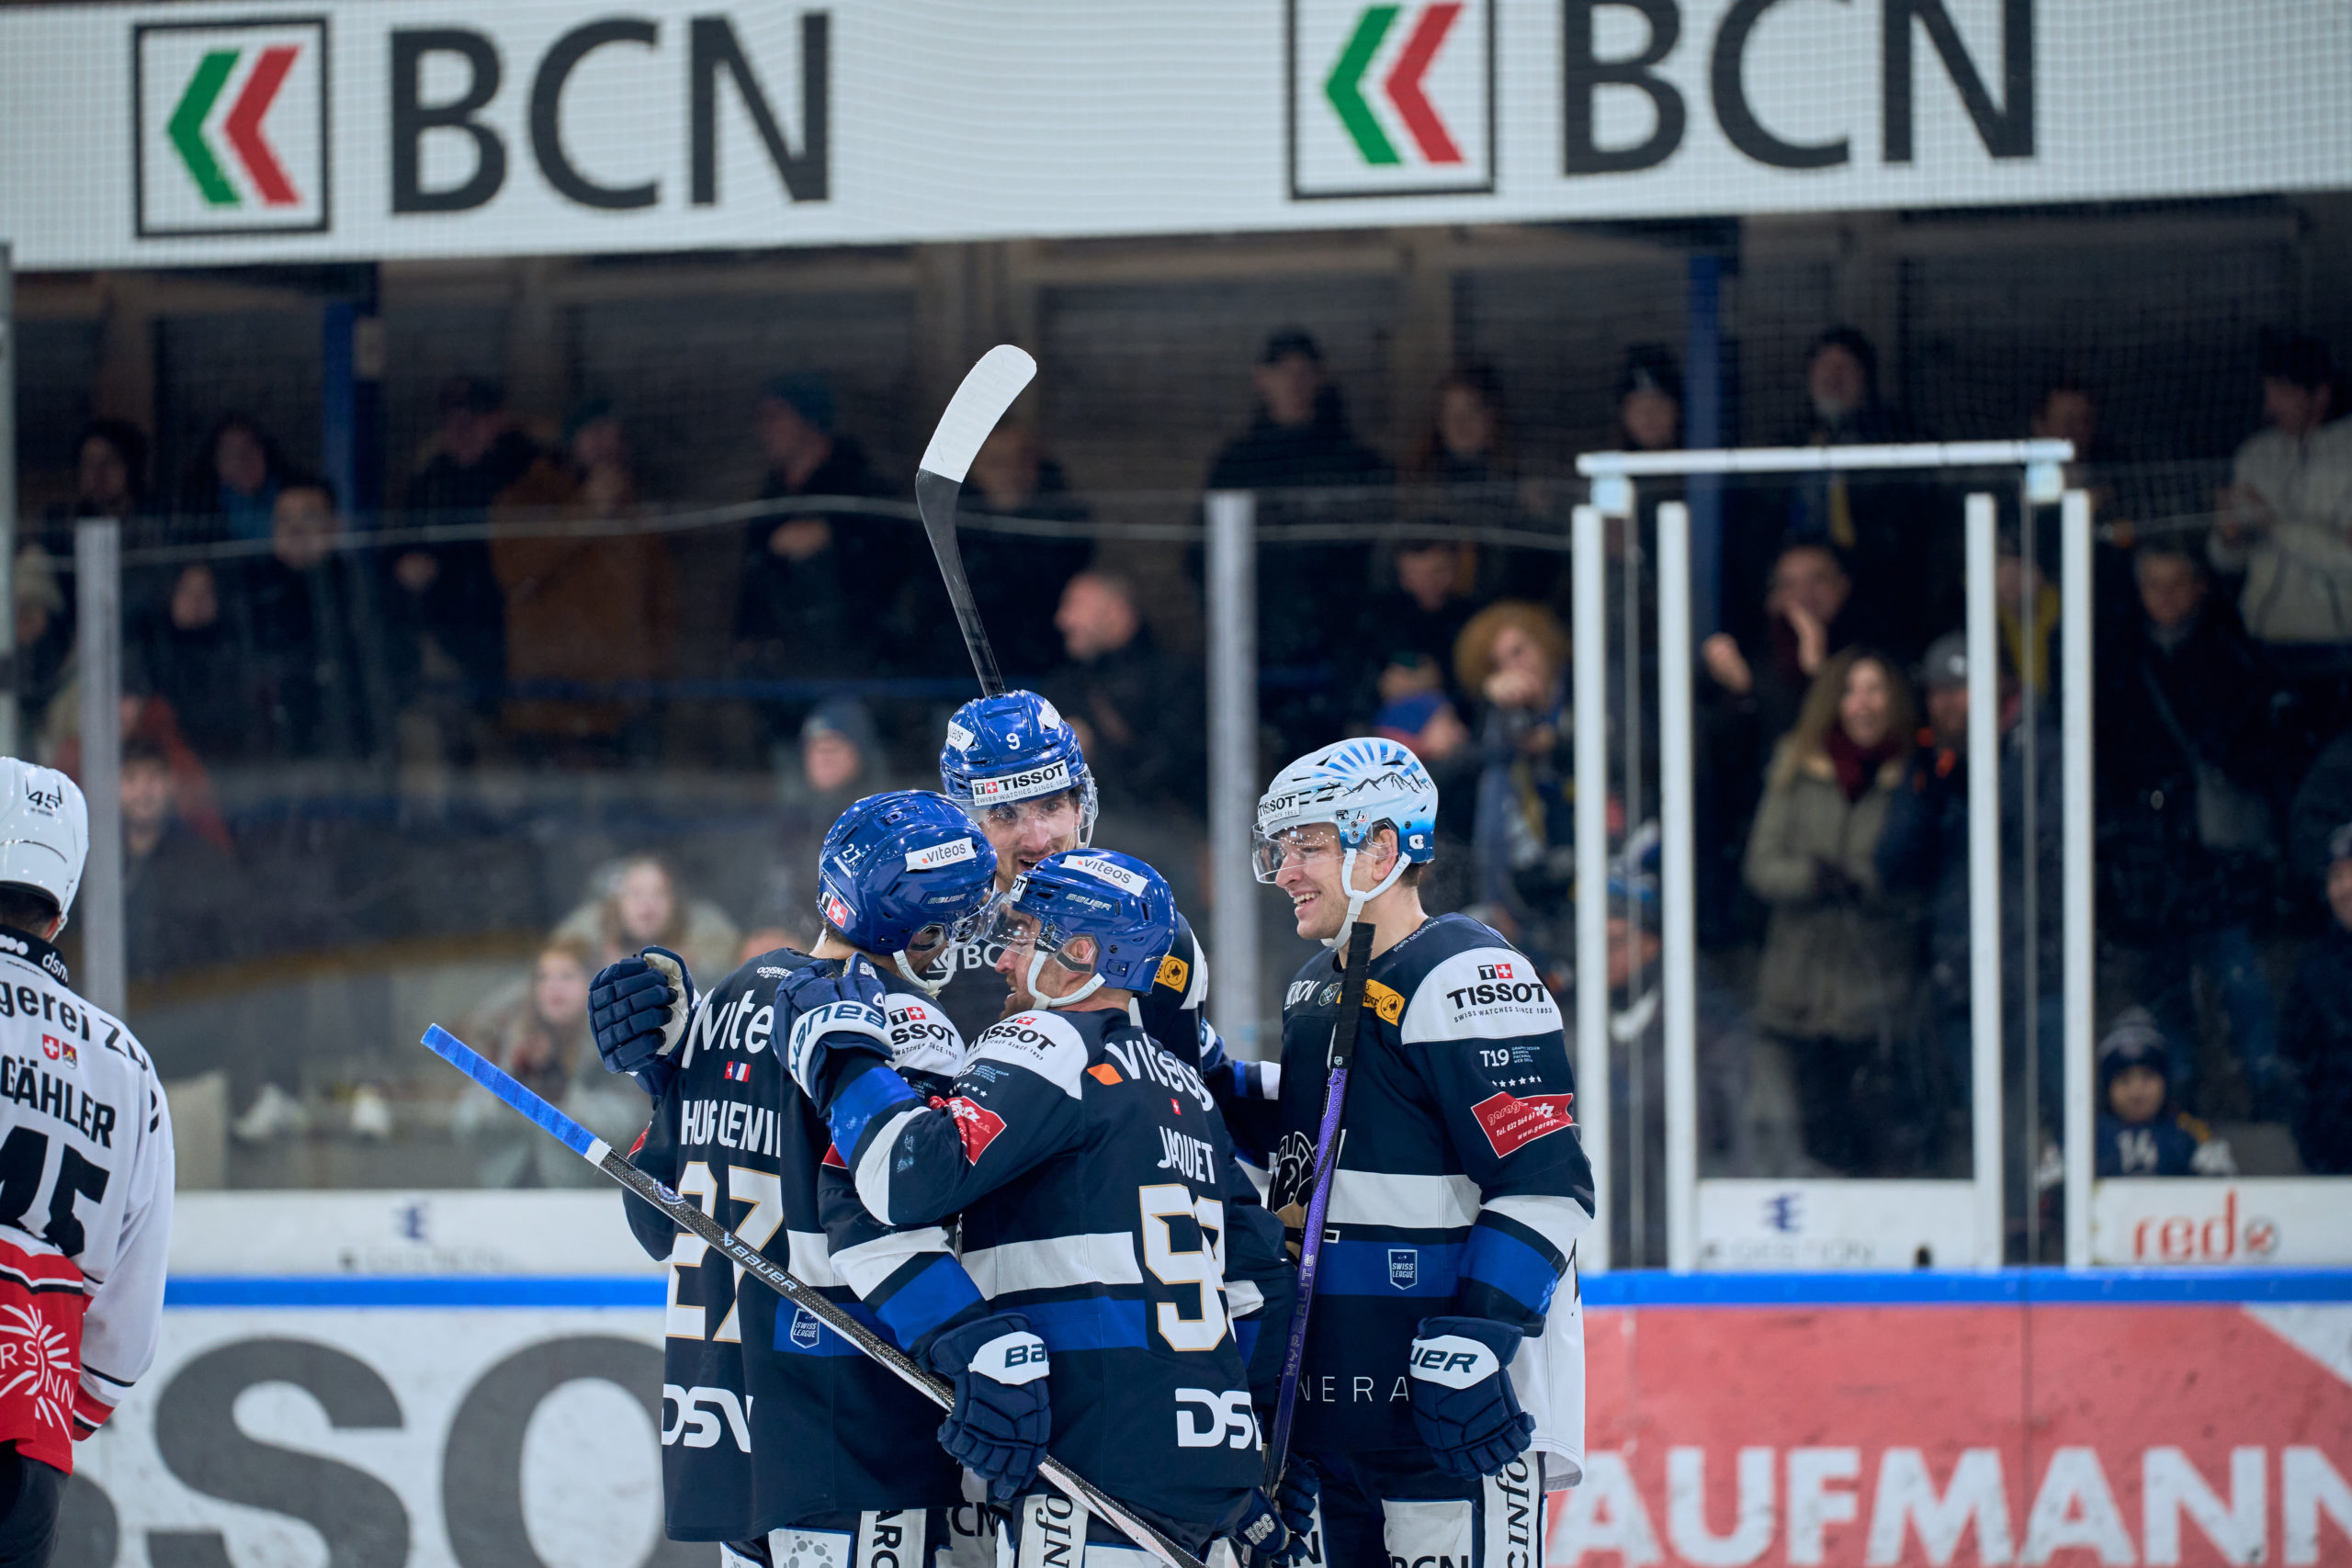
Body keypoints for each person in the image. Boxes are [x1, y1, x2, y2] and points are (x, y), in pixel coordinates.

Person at [788, 844, 1301, 1566]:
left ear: (1083, 953)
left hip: (1092, 1467)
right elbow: (1258, 1288)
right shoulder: (1185, 1089)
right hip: (1210, 1467)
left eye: (1024, 935)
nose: (1002, 959)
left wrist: (842, 1051)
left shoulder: (1049, 1037)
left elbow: (907, 1178)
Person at [587, 791, 1003, 1561]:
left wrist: (663, 1081)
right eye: (956, 919)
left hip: (728, 1432)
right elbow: (908, 1223)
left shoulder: (726, 1000)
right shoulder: (900, 1022)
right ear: (918, 924)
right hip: (849, 1427)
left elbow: (654, 1219)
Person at [1257, 738, 1591, 1566]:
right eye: (1280, 847)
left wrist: (1478, 1334)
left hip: (1453, 1411)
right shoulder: (1313, 987)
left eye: (1310, 845)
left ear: (1382, 844)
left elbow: (1545, 1181)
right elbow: (1311, 1154)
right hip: (1336, 1409)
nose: (1286, 870)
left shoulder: (1468, 973)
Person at [0, 760, 174, 1563]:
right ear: (61, 909)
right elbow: (121, 1343)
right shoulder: (127, 1068)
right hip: (22, 1450)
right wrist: (35, 1425)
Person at [2096, 543, 2285, 1113]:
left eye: (2178, 582)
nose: (2167, 596)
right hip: (2150, 855)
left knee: (2239, 975)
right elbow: (2107, 755)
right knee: (2166, 982)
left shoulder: (2231, 652)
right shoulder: (2119, 658)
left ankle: (2266, 1082)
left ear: (2201, 586)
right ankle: (2173, 1097)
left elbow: (2258, 751)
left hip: (2216, 850)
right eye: (2154, 584)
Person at [1742, 649, 1928, 1176]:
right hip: (1800, 991)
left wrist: (1867, 882)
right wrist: (1812, 878)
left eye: (1875, 690)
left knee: (1881, 1139)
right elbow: (1762, 865)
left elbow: (1919, 877)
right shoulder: (1795, 765)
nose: (1863, 704)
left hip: (1878, 994)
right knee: (1813, 1142)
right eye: (1850, 691)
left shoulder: (1913, 775)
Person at [1875, 633, 2064, 1139]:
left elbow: (2049, 844)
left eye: (1961, 688)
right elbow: (1894, 864)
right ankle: (2010, 1219)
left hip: (2039, 968)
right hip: (1961, 973)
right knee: (1986, 1121)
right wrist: (1929, 788)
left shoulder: (2042, 750)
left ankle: (2056, 1214)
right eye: (1938, 691)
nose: (1947, 703)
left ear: (2001, 686)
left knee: (2058, 1109)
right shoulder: (1932, 764)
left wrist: (1982, 781)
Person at [1204, 329, 1392, 750]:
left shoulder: (1357, 465)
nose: (1294, 384)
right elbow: (1201, 559)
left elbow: (1376, 560)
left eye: (1304, 373)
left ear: (1321, 379)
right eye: (1283, 373)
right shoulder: (1237, 466)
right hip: (1257, 651)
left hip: (1343, 653)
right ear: (1261, 379)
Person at [489, 400, 676, 761]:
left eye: (613, 435)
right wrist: (586, 510)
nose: (606, 445)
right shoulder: (526, 498)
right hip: (550, 704)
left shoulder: (635, 510)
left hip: (621, 705)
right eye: (594, 434)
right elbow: (515, 571)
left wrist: (654, 672)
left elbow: (661, 599)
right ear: (570, 441)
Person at [390, 377, 534, 750]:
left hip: (520, 634)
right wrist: (411, 567)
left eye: (471, 420)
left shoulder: (528, 473)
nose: (460, 432)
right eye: (450, 422)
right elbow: (403, 544)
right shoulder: (432, 480)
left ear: (498, 420)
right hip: (451, 634)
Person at [734, 373, 900, 691]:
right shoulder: (771, 499)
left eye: (775, 417)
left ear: (807, 419)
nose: (764, 430)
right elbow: (755, 578)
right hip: (784, 685)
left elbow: (895, 553)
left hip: (858, 675)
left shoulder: (861, 487)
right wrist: (749, 638)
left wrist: (833, 534)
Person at [2209, 332, 2352, 646]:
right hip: (2262, 637)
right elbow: (2225, 562)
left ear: (2321, 395)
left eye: (2283, 394)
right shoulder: (2254, 454)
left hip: (2337, 644)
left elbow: (2348, 562)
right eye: (2267, 394)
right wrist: (2227, 538)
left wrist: (2273, 524)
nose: (2270, 407)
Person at [1455, 603, 1574, 965]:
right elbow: (1462, 774)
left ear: (1546, 646)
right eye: (1498, 663)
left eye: (1519, 652)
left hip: (1582, 871)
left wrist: (1556, 741)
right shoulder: (1493, 720)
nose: (1512, 669)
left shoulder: (1587, 693)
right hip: (1518, 886)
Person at [241, 480, 387, 762]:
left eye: (308, 517)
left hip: (352, 742)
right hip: (272, 748)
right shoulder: (250, 591)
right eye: (284, 519)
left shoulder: (360, 588)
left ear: (334, 526)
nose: (295, 529)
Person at [1042, 570, 1206, 818]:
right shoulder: (1065, 685)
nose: (1063, 619)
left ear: (1118, 612)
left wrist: (1092, 750)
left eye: (1075, 606)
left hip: (1165, 831)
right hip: (1091, 825)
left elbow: (1174, 771)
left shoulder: (1174, 680)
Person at [956, 425, 1093, 680]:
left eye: (1021, 461)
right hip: (964, 675)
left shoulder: (1061, 525)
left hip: (1049, 673)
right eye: (996, 463)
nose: (1011, 473)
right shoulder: (949, 529)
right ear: (974, 469)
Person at [120, 738, 242, 985]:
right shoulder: (93, 865)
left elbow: (232, 949)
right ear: (113, 787)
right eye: (131, 778)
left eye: (153, 778)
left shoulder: (204, 863)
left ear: (171, 784)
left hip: (185, 1006)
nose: (143, 791)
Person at [554, 853, 742, 984]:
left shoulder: (708, 935)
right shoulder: (585, 935)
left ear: (675, 902)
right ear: (617, 903)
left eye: (659, 894)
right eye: (635, 893)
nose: (647, 904)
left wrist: (692, 966)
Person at [2283, 823, 2352, 1174]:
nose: (2346, 888)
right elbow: (2298, 1069)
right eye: (2337, 876)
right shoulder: (2314, 972)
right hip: (2335, 1170)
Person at [2093, 1010, 2235, 1178]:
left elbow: (2220, 1185)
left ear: (2166, 1082)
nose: (2136, 1091)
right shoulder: (2090, 1134)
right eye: (2124, 1080)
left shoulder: (2186, 1132)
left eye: (2148, 1077)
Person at [174, 413, 284, 543]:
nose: (243, 460)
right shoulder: (200, 510)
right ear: (215, 464)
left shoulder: (292, 492)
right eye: (230, 454)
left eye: (250, 447)